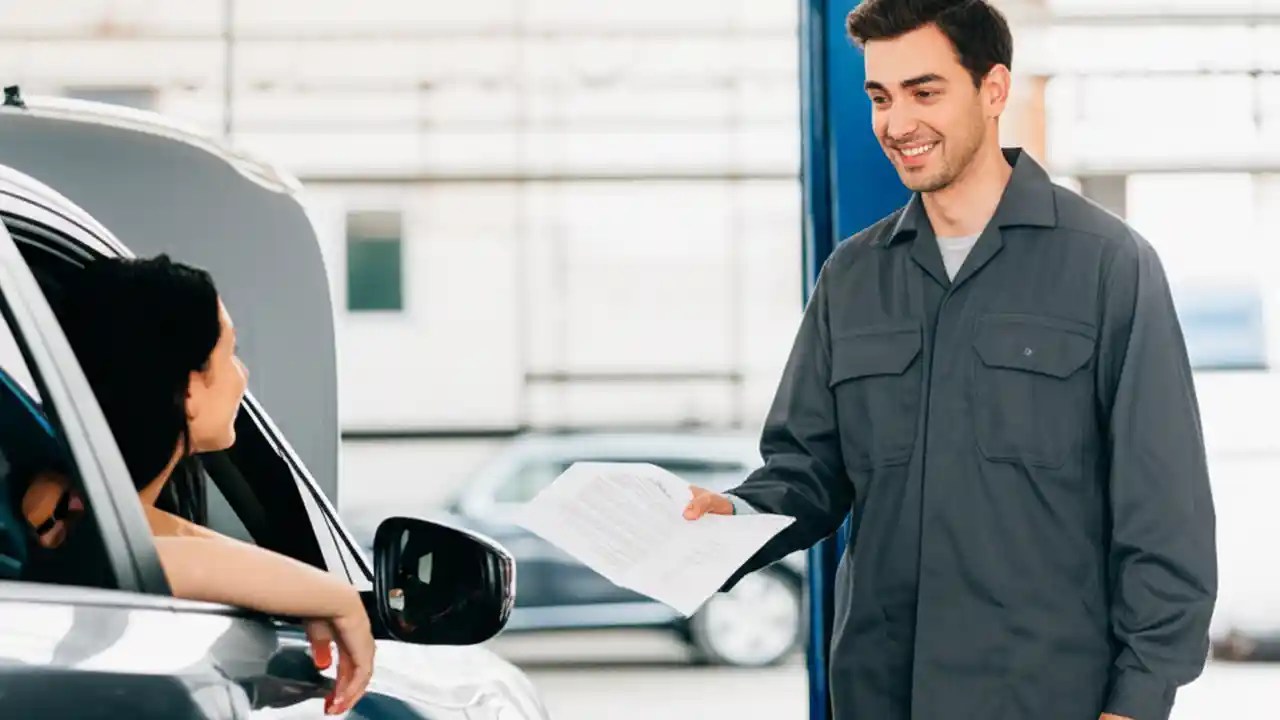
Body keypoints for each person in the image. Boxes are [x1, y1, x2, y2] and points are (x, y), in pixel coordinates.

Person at [683, 2, 1216, 719]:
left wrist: (1139, 699)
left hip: (1045, 696)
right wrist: (731, 515)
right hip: (880, 693)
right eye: (881, 96)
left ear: (993, 90)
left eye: (924, 91)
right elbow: (807, 470)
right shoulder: (853, 277)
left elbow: (1165, 512)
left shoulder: (1107, 265)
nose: (896, 123)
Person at [56, 254, 374, 716]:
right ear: (187, 389)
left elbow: (154, 537)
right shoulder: (49, 505)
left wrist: (314, 587)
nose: (242, 376)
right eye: (229, 355)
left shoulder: (91, 497)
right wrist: (337, 597)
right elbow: (121, 557)